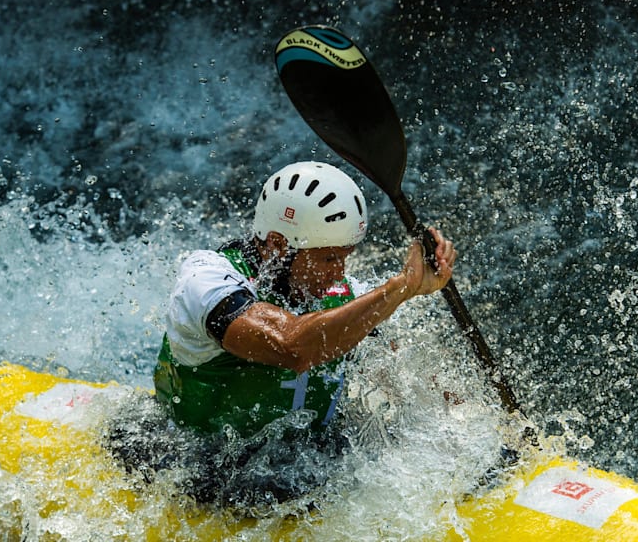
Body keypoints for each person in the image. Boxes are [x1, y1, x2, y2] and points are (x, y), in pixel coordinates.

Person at [153, 161, 457, 440]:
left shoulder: (344, 297)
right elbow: (291, 346)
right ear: (277, 245)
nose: (339, 273)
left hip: (303, 467)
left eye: (345, 257)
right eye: (328, 259)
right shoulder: (205, 281)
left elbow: (407, 377)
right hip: (197, 467)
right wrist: (400, 288)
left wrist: (466, 419)